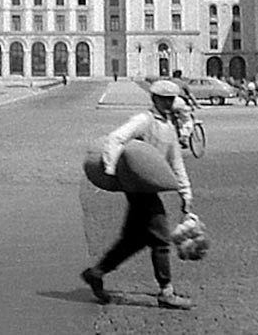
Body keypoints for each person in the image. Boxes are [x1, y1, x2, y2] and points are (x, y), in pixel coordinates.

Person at [81, 79, 195, 310]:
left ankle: (96, 272)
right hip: (138, 189)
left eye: (171, 99)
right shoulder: (144, 120)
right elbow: (116, 138)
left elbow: (176, 162)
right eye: (163, 99)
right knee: (161, 238)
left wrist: (185, 193)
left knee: (134, 240)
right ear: (154, 99)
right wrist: (111, 170)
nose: (167, 103)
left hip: (147, 188)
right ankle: (166, 292)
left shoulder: (169, 127)